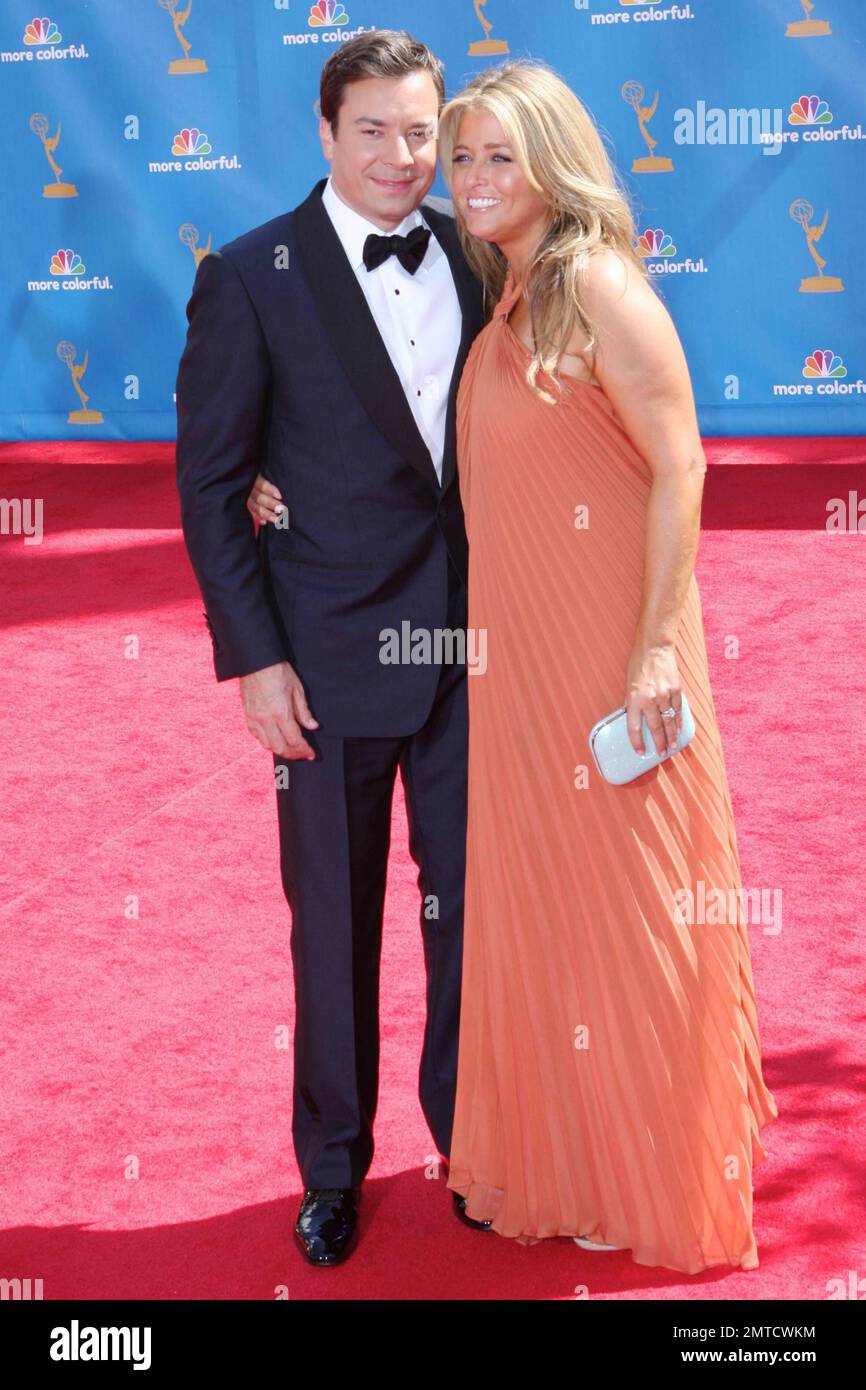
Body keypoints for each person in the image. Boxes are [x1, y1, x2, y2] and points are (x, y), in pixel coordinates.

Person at [251, 60, 779, 1275]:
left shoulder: (590, 279)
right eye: (465, 155)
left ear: (550, 161)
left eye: (492, 155)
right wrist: (257, 489)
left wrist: (651, 645)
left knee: (634, 908)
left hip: (604, 648)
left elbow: (680, 464)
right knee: (553, 923)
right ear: (329, 135)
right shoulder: (497, 275)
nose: (468, 177)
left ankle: (650, 1168)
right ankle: (559, 1154)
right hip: (505, 659)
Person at [175, 30, 488, 1268]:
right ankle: (333, 1168)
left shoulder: (475, 254)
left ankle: (475, 1139)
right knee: (335, 929)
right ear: (324, 132)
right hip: (324, 660)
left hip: (473, 650)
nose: (402, 156)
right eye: (374, 130)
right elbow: (209, 485)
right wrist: (255, 659)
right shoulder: (252, 275)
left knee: (471, 912)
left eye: (421, 132)